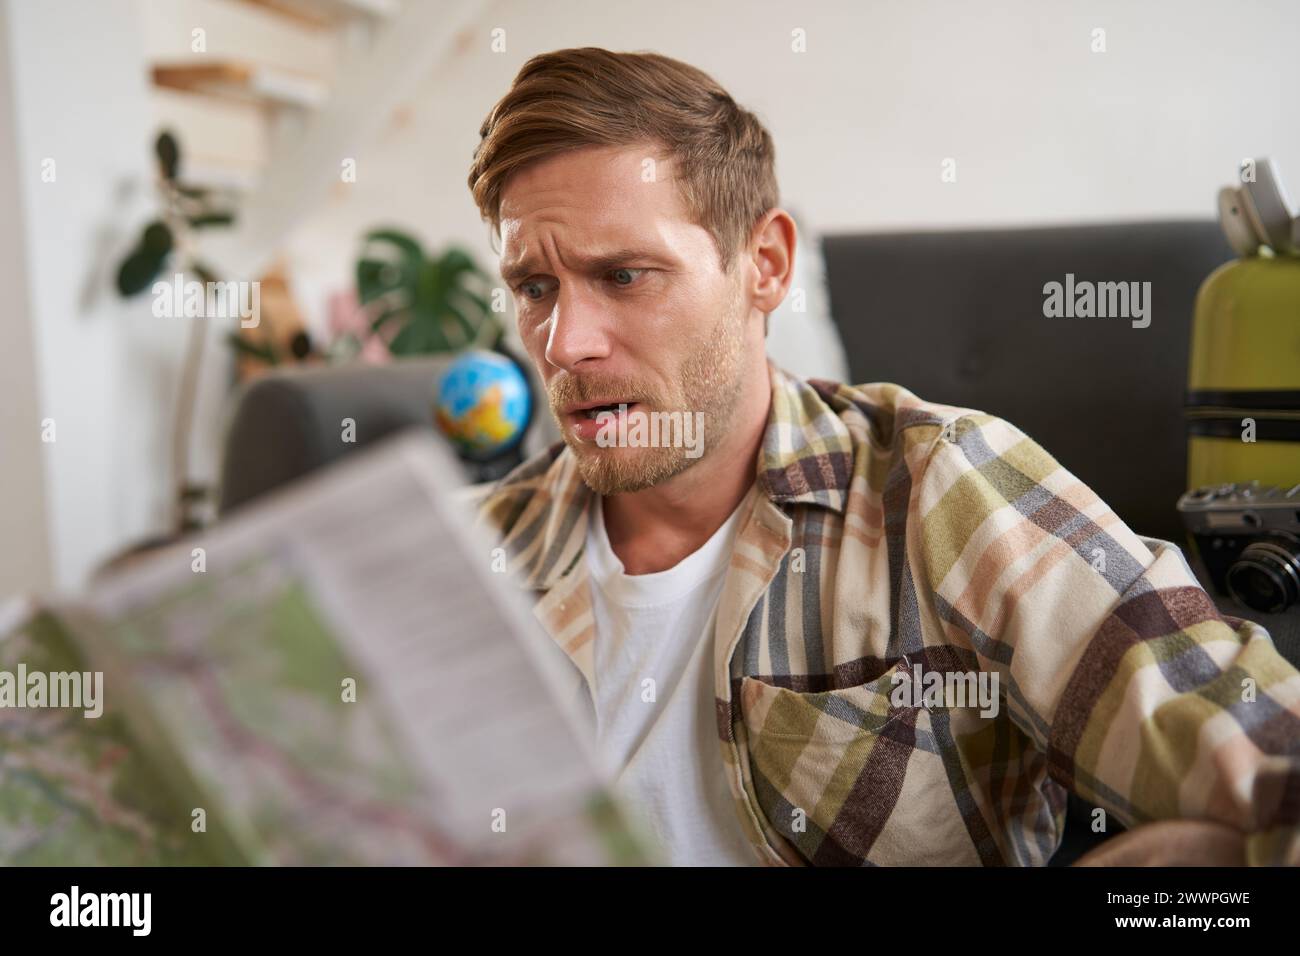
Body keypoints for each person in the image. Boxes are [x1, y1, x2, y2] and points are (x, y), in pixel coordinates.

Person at [466, 47, 1300, 866]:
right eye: (534, 288)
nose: (565, 343)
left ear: (765, 265)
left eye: (624, 276)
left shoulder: (940, 485)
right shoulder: (468, 553)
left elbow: (1261, 751)